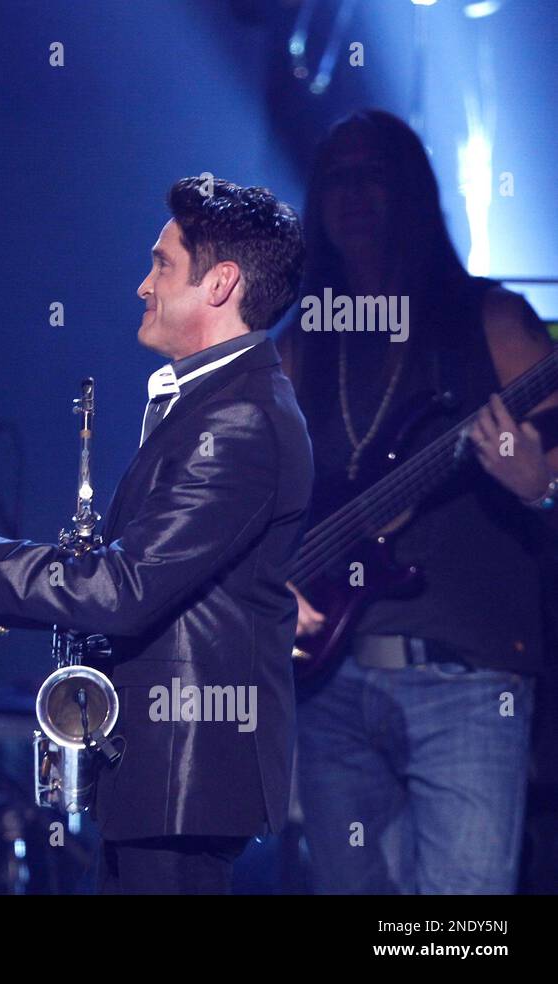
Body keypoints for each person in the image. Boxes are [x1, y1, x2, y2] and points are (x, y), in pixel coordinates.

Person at [0, 177, 313, 894]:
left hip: (187, 774)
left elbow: (125, 589)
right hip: (157, 775)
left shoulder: (238, 419)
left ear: (220, 284)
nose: (141, 285)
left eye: (161, 264)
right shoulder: (213, 402)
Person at [280, 109, 558, 894]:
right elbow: (251, 498)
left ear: (413, 191)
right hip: (329, 685)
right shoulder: (303, 342)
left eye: (375, 173)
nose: (355, 193)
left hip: (466, 683)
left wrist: (543, 489)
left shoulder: (490, 318)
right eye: (336, 176)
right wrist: (277, 580)